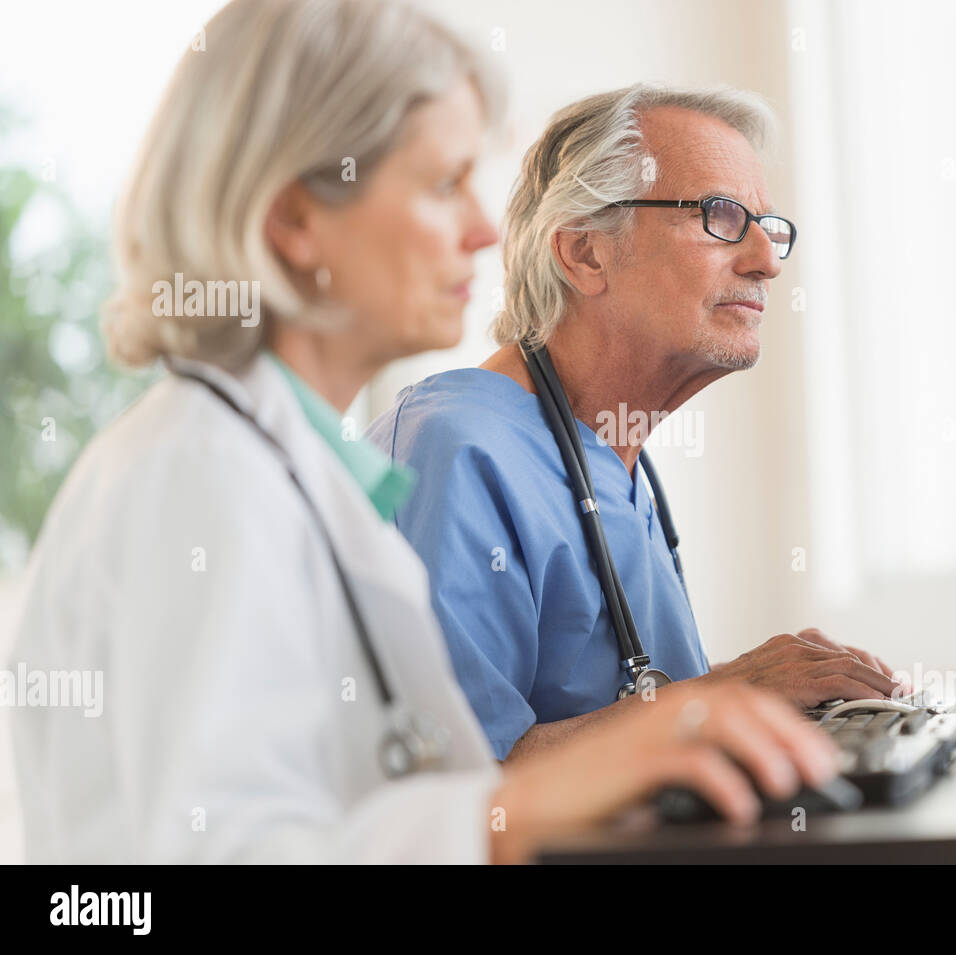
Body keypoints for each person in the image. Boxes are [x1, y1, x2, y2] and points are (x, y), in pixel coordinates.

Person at [5, 0, 838, 864]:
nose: (484, 232)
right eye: (443, 186)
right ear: (296, 220)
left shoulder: (295, 477)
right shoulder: (199, 475)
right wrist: (530, 798)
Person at [367, 85, 907, 762]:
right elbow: (457, 786)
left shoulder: (615, 466)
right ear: (586, 253)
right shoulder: (453, 448)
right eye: (719, 215)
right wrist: (722, 697)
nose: (766, 260)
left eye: (768, 227)